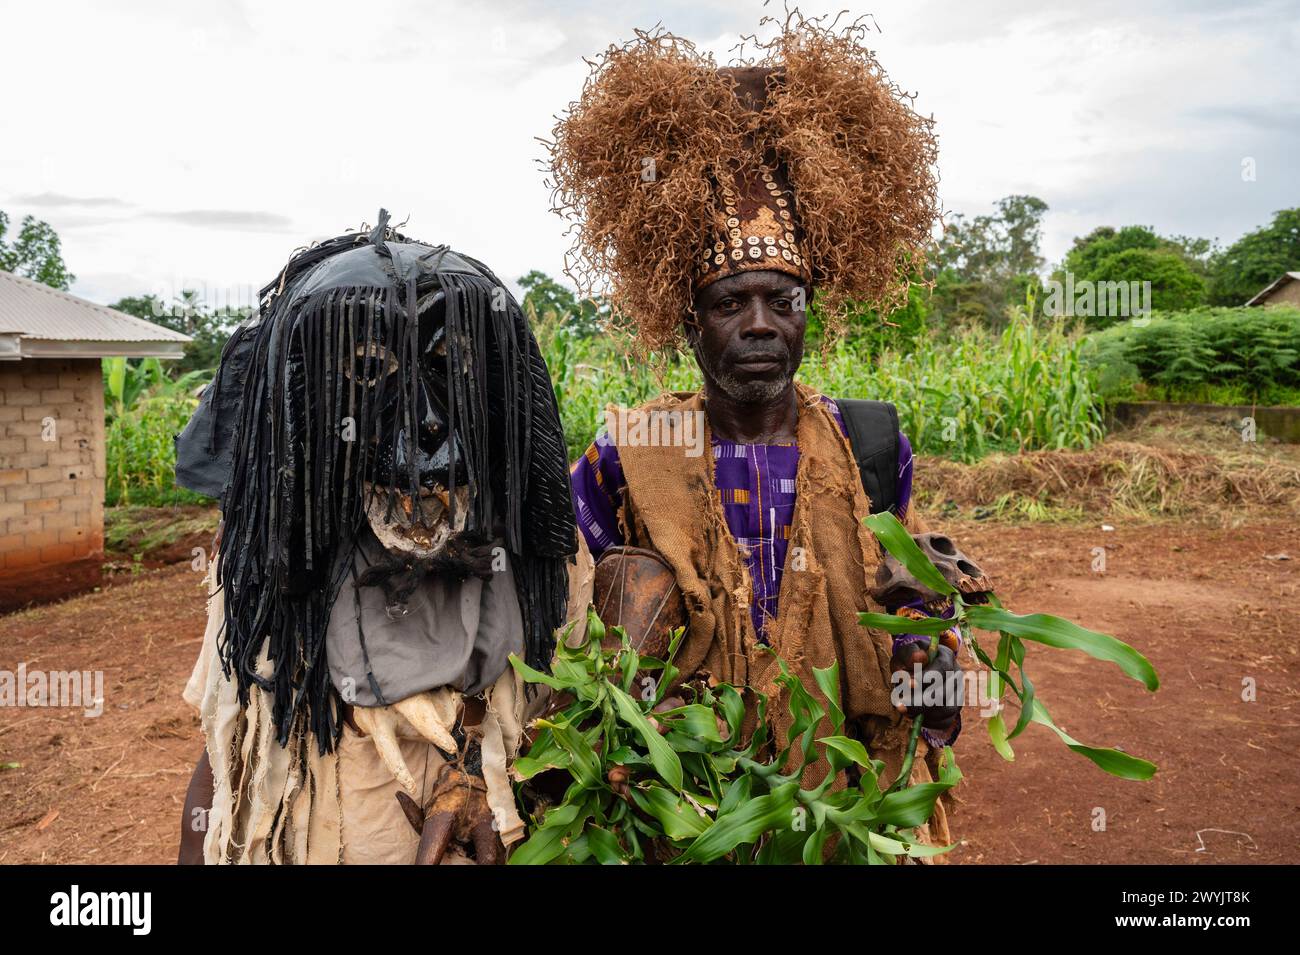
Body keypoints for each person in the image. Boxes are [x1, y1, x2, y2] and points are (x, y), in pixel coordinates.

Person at [552, 14, 969, 853]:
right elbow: (563, 617)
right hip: (680, 809)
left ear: (810, 316)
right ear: (690, 320)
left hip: (842, 806)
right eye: (729, 302)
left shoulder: (869, 446)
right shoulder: (630, 451)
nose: (759, 324)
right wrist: (621, 709)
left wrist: (932, 657)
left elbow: (926, 655)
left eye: (784, 301)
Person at [174, 212, 579, 864]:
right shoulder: (275, 573)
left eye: (454, 369)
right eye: (367, 374)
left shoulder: (541, 571)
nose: (422, 422)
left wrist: (480, 773)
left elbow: (569, 719)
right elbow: (232, 759)